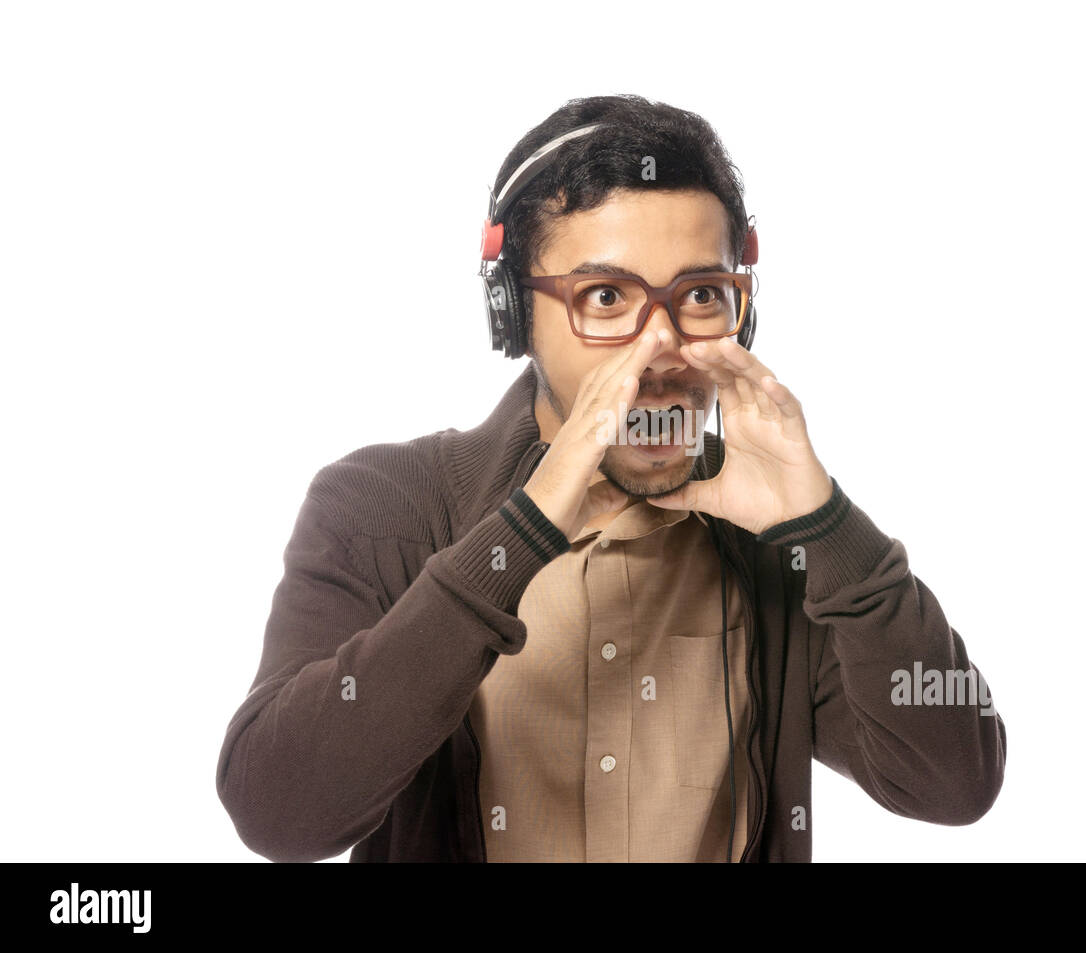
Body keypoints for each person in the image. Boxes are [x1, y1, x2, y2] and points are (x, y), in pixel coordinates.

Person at [215, 94, 1007, 862]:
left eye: (699, 294)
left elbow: (955, 783)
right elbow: (280, 811)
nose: (657, 346)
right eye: (604, 296)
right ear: (514, 317)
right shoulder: (381, 507)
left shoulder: (778, 545)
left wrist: (828, 530)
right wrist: (519, 536)